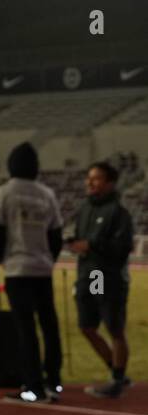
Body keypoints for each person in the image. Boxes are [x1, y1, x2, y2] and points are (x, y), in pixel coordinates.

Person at [0, 141, 64, 403]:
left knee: (25, 328)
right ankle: (54, 381)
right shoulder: (47, 194)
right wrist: (47, 260)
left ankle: (33, 387)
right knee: (49, 325)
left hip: (17, 268)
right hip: (42, 268)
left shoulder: (0, 194)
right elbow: (56, 235)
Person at [68, 161, 134, 398]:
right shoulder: (85, 208)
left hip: (107, 276)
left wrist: (92, 245)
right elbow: (82, 238)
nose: (90, 182)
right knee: (87, 327)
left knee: (114, 327)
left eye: (96, 178)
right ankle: (117, 372)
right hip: (87, 275)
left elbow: (124, 247)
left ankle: (116, 379)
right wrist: (74, 243)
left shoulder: (118, 213)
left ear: (109, 183)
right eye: (89, 178)